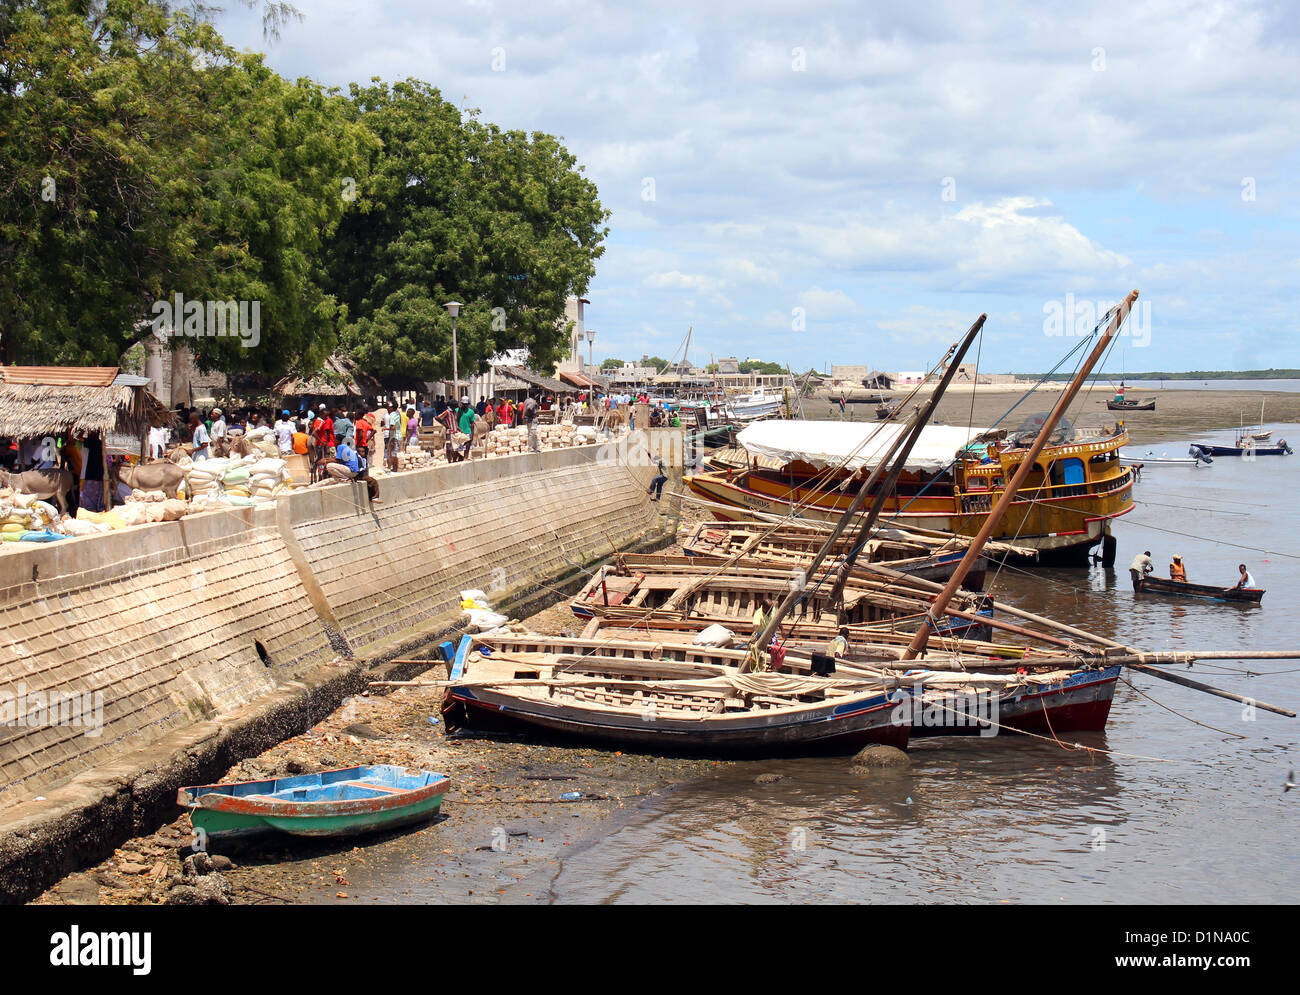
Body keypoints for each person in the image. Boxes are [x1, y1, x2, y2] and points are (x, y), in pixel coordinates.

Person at [325, 438, 380, 502]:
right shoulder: (355, 456)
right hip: (358, 474)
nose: (362, 453)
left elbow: (361, 470)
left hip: (359, 474)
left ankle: (374, 497)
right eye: (360, 452)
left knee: (373, 482)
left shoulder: (361, 459)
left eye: (363, 452)